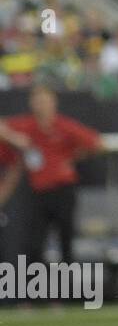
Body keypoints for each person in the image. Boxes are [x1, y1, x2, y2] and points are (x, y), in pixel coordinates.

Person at [0, 84, 102, 265]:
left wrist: (72, 157)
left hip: (63, 190)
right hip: (38, 192)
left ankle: (66, 289)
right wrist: (15, 138)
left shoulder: (63, 126)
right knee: (34, 244)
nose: (41, 105)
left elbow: (95, 143)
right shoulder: (26, 126)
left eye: (45, 101)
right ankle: (39, 288)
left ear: (53, 103)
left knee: (66, 241)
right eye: (37, 101)